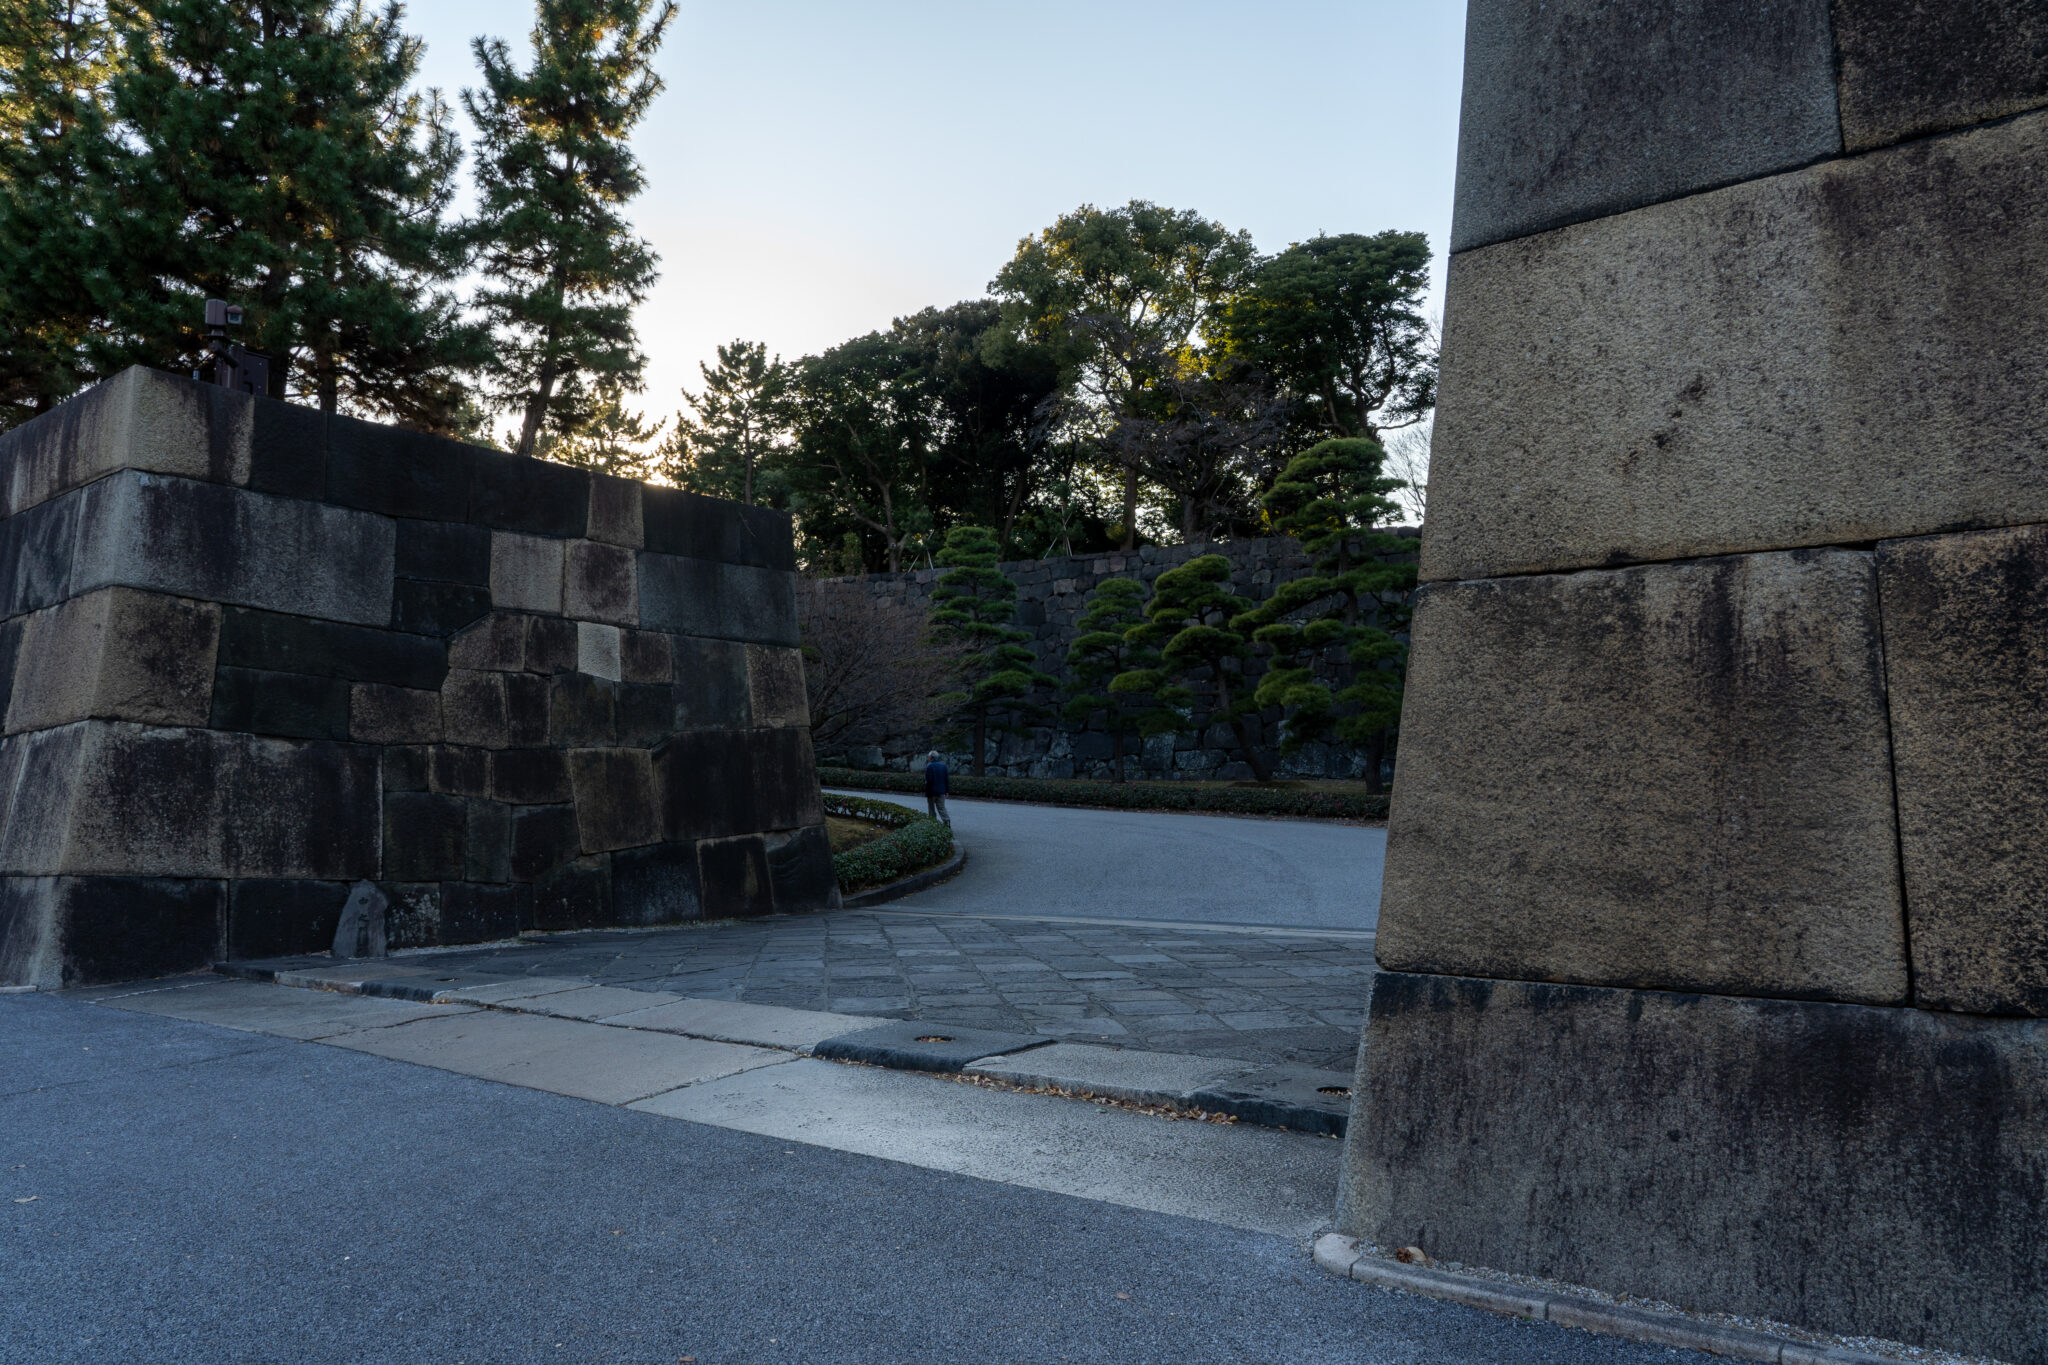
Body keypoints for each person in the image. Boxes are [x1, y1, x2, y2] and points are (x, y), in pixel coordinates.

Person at [923, 749, 951, 826]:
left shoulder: (929, 766)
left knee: (931, 809)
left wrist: (926, 791)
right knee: (942, 808)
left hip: (932, 791)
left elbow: (928, 780)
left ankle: (933, 823)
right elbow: (947, 779)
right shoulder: (943, 766)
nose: (928, 758)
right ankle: (947, 821)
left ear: (931, 757)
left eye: (929, 756)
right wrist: (947, 791)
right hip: (942, 791)